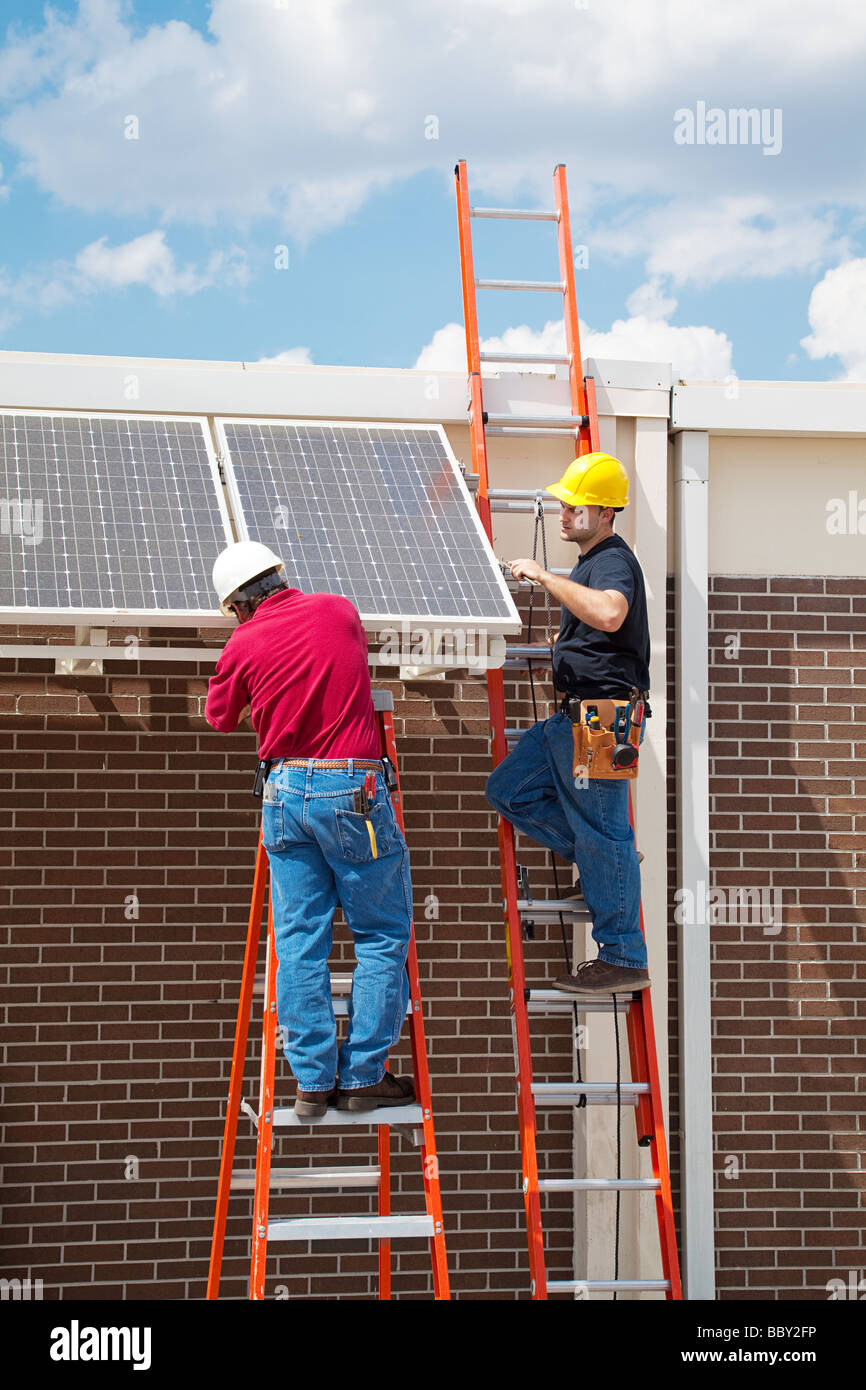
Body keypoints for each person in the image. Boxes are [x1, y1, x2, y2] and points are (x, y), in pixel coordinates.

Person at [204, 540, 415, 1117]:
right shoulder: (338, 610)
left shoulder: (241, 643)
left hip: (284, 795)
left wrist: (246, 669)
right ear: (278, 575)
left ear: (239, 606)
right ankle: (364, 1074)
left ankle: (313, 1082)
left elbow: (220, 718)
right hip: (352, 792)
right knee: (380, 933)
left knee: (298, 943)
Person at [485, 452, 652, 995]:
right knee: (509, 790)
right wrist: (567, 649)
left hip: (606, 717)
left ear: (605, 512)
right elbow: (600, 629)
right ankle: (607, 863)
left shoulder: (610, 561)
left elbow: (609, 614)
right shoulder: (592, 561)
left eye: (574, 505)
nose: (562, 511)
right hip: (577, 714)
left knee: (605, 831)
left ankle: (624, 956)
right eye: (562, 502)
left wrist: (542, 576)